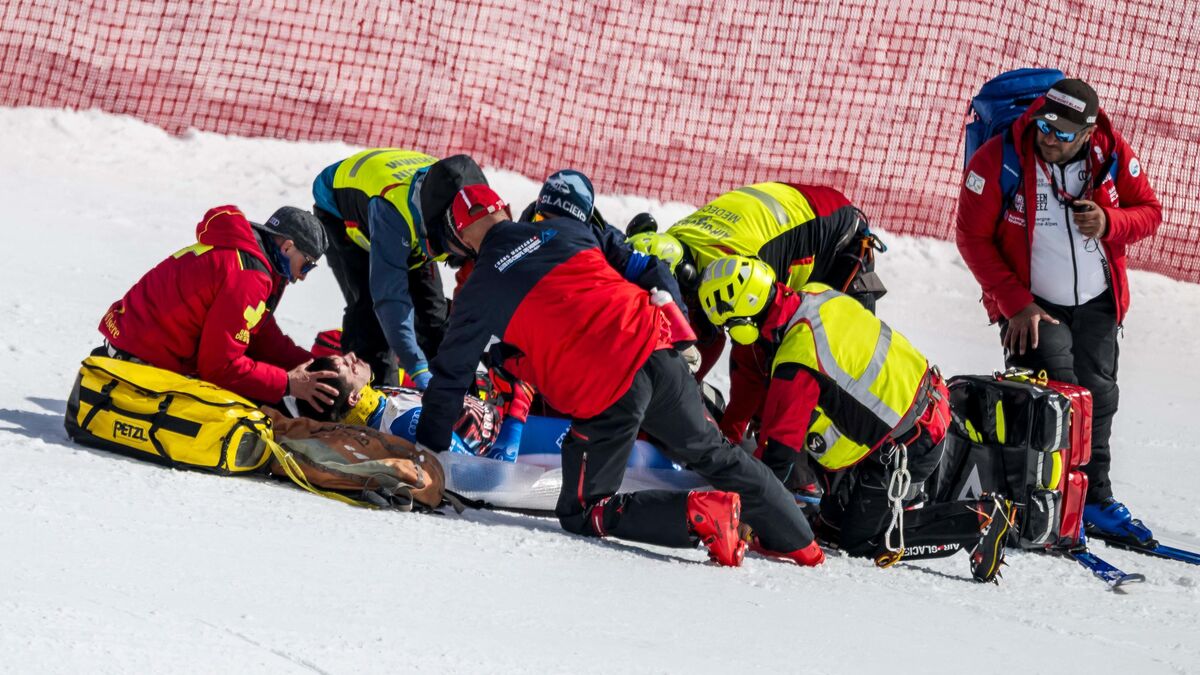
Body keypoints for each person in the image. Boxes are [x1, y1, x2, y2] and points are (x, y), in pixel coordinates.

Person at [414, 183, 823, 568]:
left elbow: (450, 378)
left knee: (581, 512)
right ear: (505, 209)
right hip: (656, 348)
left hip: (607, 389)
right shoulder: (568, 230)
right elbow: (645, 265)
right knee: (715, 453)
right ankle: (801, 543)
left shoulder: (478, 290)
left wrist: (429, 456)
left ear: (463, 238)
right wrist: (678, 325)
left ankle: (698, 514)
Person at [697, 255, 1013, 582]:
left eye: (732, 326)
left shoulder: (797, 359)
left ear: (745, 324)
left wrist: (744, 512)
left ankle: (977, 521)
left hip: (911, 444)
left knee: (864, 544)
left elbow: (779, 455)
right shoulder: (816, 294)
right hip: (924, 406)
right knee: (828, 528)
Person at [955, 78, 1162, 545]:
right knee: (1054, 399)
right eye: (1045, 126)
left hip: (1096, 301)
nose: (1050, 138)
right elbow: (971, 237)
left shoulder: (1108, 155)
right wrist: (1015, 304)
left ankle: (1094, 500)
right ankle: (1033, 505)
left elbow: (1149, 211)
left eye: (1064, 133)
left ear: (1087, 133)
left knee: (1099, 400)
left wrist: (1111, 223)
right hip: (1033, 306)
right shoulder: (1000, 158)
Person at [630, 183, 886, 445]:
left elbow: (749, 359)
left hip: (838, 242)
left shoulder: (740, 270)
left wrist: (728, 438)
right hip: (791, 214)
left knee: (813, 381)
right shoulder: (673, 248)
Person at [97, 205, 337, 409]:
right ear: (287, 247)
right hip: (140, 362)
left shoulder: (244, 253)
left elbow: (260, 332)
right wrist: (287, 383)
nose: (303, 277)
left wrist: (311, 365)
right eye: (307, 266)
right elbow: (220, 367)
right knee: (257, 411)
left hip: (132, 343)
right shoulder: (249, 275)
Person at [311, 149, 487, 388]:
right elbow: (390, 297)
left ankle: (458, 393)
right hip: (341, 212)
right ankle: (375, 396)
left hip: (414, 217)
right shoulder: (392, 211)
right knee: (370, 314)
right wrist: (416, 367)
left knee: (432, 314)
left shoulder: (477, 208)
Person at [293, 353, 526, 462]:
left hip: (500, 414)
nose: (353, 356)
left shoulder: (380, 400)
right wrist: (518, 407)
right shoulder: (404, 423)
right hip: (521, 440)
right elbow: (487, 477)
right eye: (348, 366)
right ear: (353, 398)